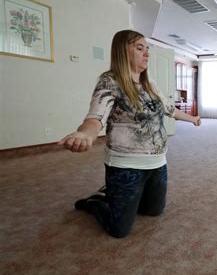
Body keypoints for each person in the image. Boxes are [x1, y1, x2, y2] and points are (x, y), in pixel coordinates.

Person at [58, 29, 200, 238]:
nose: (147, 54)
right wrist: (86, 134)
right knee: (119, 229)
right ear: (122, 52)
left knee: (153, 211)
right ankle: (95, 202)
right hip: (125, 165)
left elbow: (169, 109)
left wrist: (193, 119)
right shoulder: (110, 81)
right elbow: (95, 118)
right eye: (139, 48)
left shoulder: (149, 84)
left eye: (147, 49)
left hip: (158, 163)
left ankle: (114, 193)